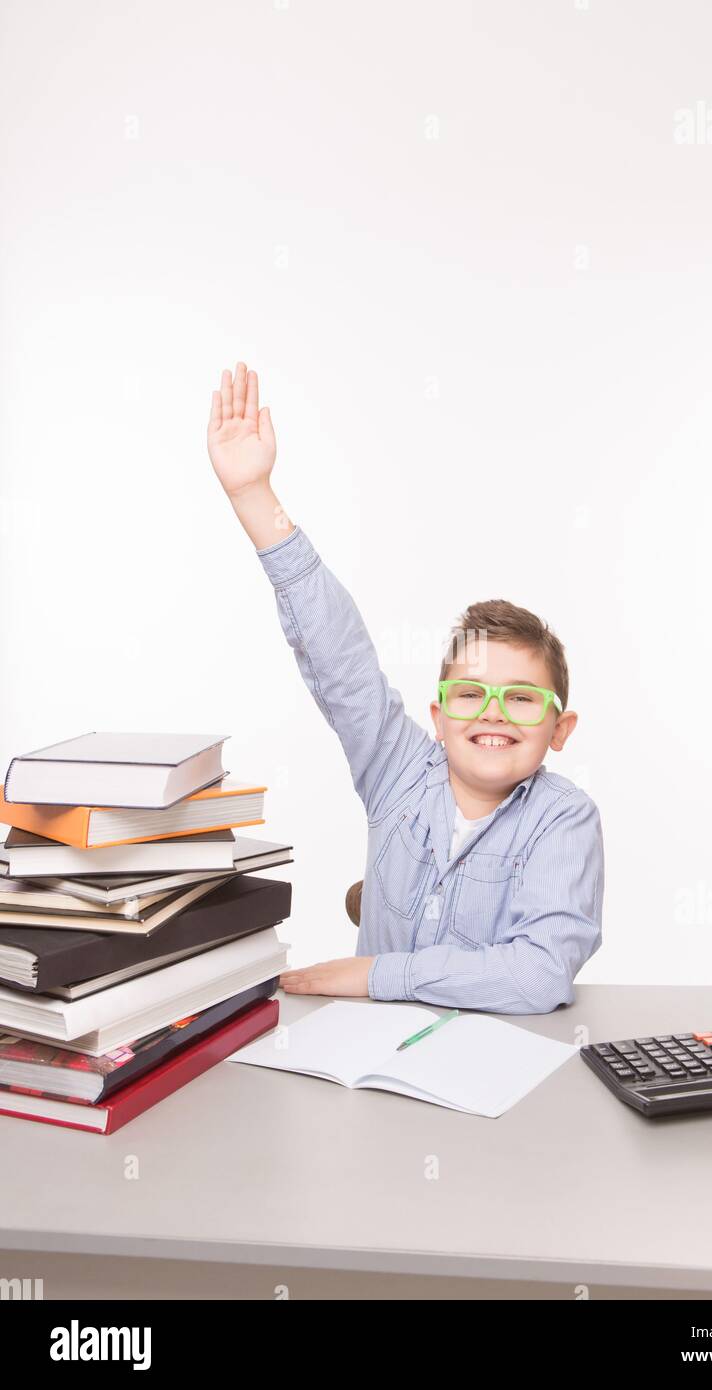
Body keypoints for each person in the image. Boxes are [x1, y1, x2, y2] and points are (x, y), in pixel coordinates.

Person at [207, 362, 604, 1013]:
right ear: (439, 717)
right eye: (472, 694)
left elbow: (537, 977)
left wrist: (379, 974)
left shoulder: (564, 820)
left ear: (561, 729)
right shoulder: (399, 773)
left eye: (523, 697)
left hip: (493, 1072)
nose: (494, 713)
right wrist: (254, 496)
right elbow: (339, 658)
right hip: (370, 1065)